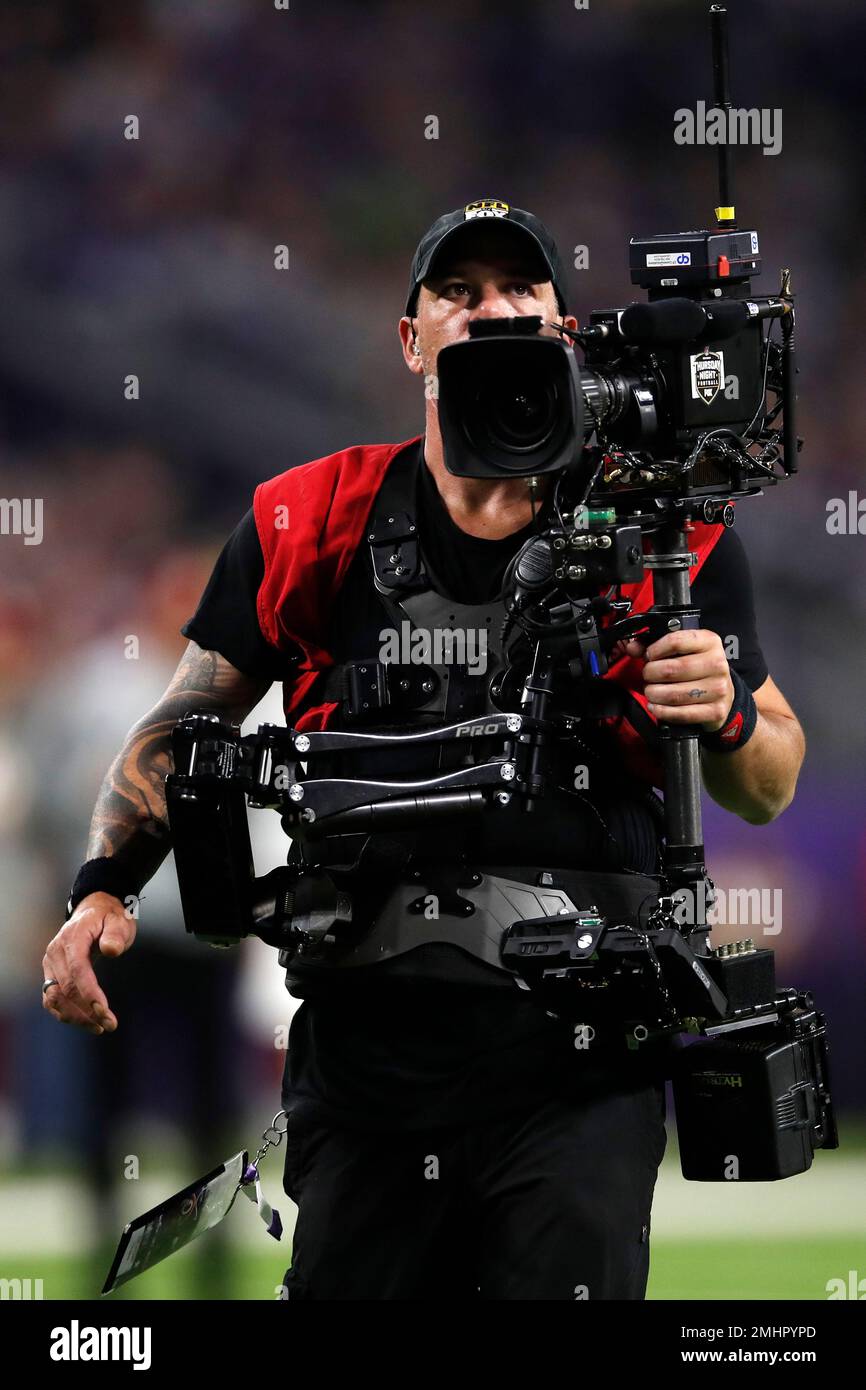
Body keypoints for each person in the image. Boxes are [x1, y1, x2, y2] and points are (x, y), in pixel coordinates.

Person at [42, 199, 806, 1301]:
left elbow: (768, 784)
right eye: (458, 291)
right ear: (412, 341)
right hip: (368, 1066)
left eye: (517, 289)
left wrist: (726, 711)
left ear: (563, 324)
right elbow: (186, 716)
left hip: (577, 1067)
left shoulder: (659, 527)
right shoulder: (308, 518)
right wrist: (104, 886)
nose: (489, 309)